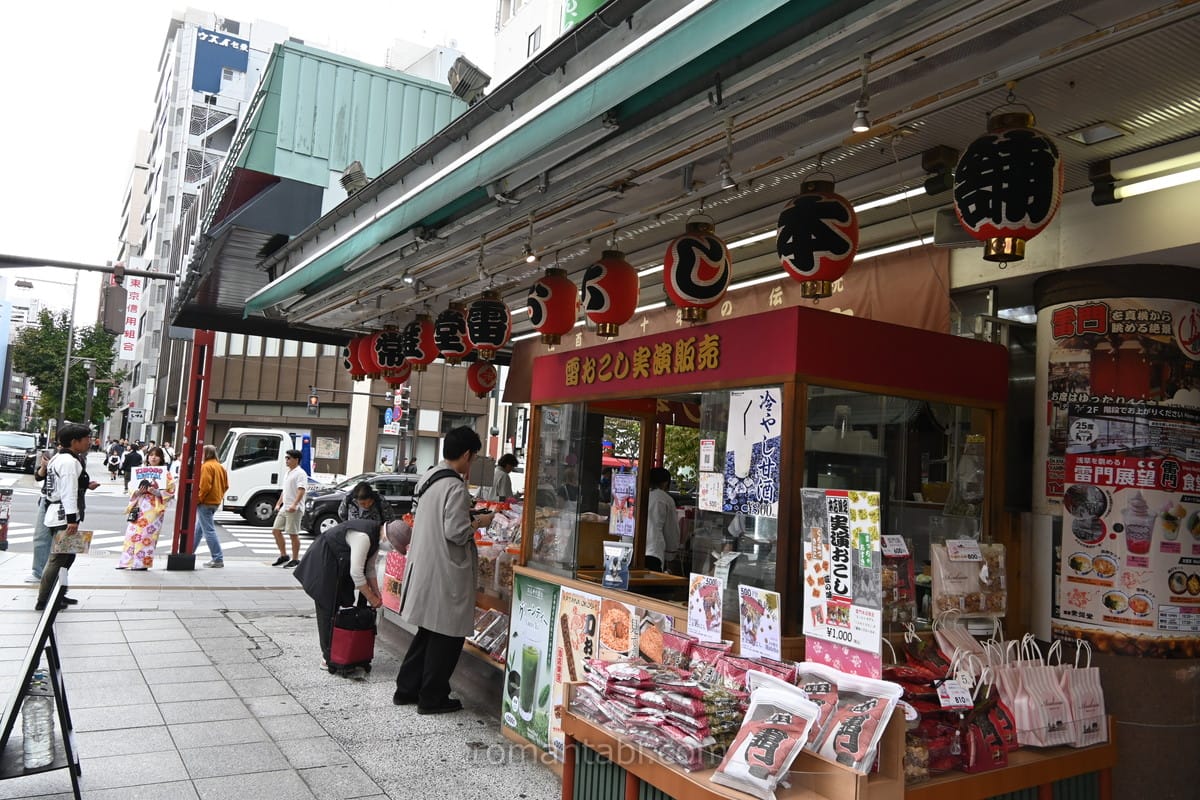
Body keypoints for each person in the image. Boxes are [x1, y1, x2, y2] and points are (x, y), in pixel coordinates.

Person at [394, 426, 494, 714]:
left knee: (427, 632)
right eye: (473, 457)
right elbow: (455, 532)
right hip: (445, 571)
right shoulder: (454, 486)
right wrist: (479, 523)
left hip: (425, 564)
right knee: (447, 637)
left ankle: (407, 689)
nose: (472, 463)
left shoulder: (429, 477)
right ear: (466, 454)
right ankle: (432, 698)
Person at [293, 517, 386, 669]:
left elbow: (369, 569)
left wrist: (377, 593)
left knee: (345, 603)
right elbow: (356, 574)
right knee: (328, 607)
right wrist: (371, 597)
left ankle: (342, 651)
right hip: (324, 560)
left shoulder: (376, 535)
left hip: (340, 562)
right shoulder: (364, 537)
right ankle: (328, 657)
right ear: (388, 537)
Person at [35, 424, 99, 611]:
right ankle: (44, 599)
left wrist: (86, 485)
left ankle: (58, 594)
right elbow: (68, 492)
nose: (90, 441)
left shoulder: (61, 458)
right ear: (74, 441)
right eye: (87, 438)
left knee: (68, 556)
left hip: (58, 512)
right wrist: (72, 519)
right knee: (58, 558)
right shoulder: (69, 462)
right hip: (63, 515)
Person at [116, 446, 175, 570]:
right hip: (139, 504)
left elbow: (170, 491)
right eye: (151, 455)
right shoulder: (141, 470)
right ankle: (126, 561)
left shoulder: (166, 474)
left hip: (154, 507)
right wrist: (137, 492)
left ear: (161, 458)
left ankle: (141, 563)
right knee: (131, 533)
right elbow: (132, 488)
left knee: (146, 535)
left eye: (156, 455)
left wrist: (157, 492)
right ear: (147, 457)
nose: (153, 457)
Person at [194, 444, 228, 568]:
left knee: (208, 530)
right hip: (215, 501)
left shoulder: (206, 467)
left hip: (205, 502)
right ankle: (189, 551)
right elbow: (226, 485)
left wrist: (198, 499)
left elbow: (204, 486)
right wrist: (219, 496)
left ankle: (218, 558)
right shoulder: (220, 467)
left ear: (206, 454)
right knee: (199, 529)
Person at [271, 449, 307, 568]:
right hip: (285, 507)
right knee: (276, 530)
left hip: (294, 508)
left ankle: (296, 559)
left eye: (289, 458)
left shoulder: (300, 473)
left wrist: (295, 504)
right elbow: (284, 491)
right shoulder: (288, 473)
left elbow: (301, 490)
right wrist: (278, 504)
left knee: (293, 533)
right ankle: (284, 555)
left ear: (296, 460)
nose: (286, 460)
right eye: (286, 458)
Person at [25, 450, 54, 584]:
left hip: (63, 503)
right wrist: (44, 466)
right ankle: (38, 572)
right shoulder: (51, 453)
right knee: (40, 536)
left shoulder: (74, 459)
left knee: (60, 541)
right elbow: (38, 477)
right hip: (46, 499)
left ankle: (56, 574)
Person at [645, 467, 681, 573]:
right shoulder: (665, 499)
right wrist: (672, 552)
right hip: (653, 551)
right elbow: (671, 529)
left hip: (631, 549)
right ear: (665, 483)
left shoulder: (639, 494)